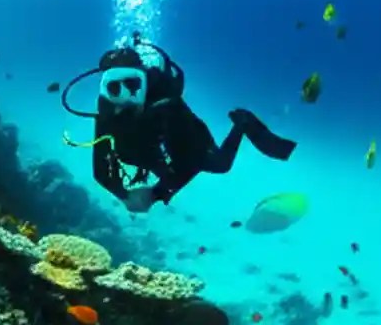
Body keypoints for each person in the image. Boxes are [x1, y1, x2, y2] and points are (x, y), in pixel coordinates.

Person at [60, 33, 297, 213]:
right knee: (139, 155)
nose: (125, 96)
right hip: (146, 151)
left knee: (220, 165)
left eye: (133, 85)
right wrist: (123, 195)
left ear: (145, 82)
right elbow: (100, 169)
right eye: (114, 87)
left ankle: (243, 122)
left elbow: (190, 163)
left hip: (182, 141)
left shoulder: (166, 105)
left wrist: (155, 194)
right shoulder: (108, 107)